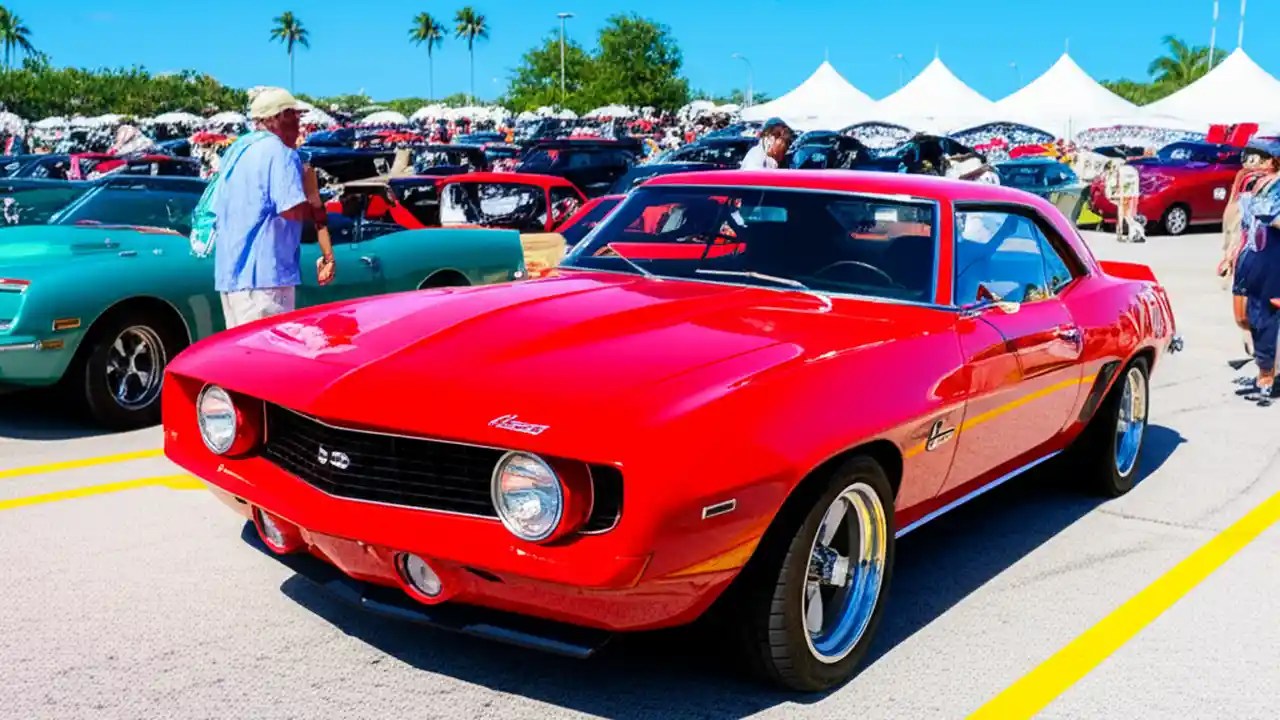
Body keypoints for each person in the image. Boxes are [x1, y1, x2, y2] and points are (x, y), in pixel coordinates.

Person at [214, 87, 334, 329]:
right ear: (277, 118)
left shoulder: (236, 151)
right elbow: (290, 209)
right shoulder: (280, 152)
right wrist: (314, 199)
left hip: (230, 278)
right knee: (267, 360)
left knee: (240, 359)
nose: (299, 124)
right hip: (266, 280)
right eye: (295, 116)